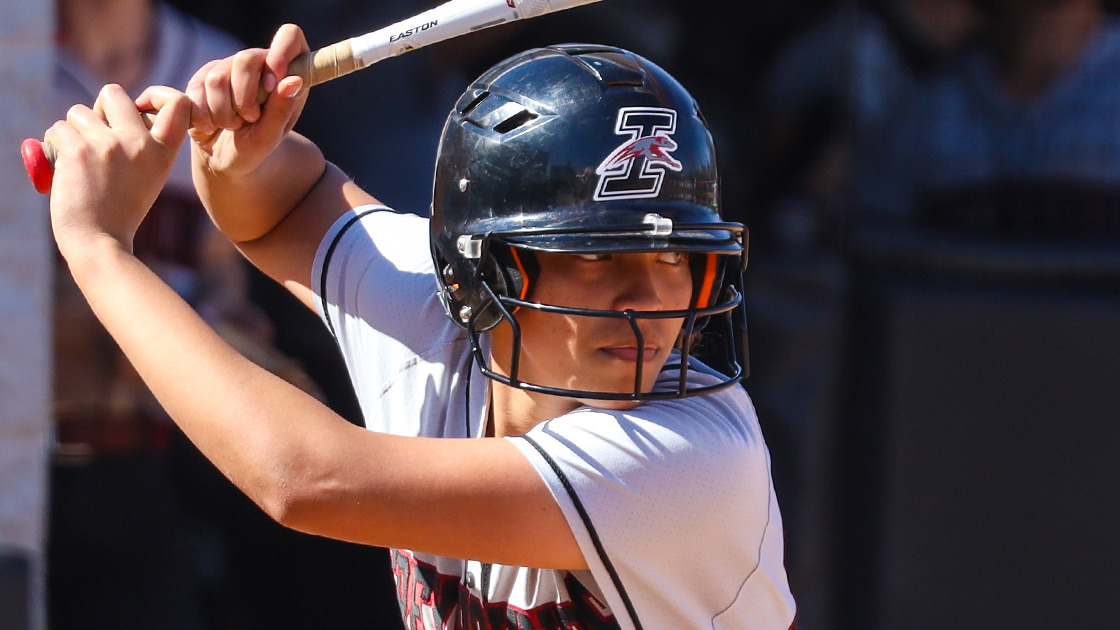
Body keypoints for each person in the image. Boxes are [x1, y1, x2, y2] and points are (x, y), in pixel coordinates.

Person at [42, 23, 797, 629]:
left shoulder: (693, 458)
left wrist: (100, 249)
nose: (650, 300)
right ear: (480, 271)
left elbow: (305, 480)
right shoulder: (439, 324)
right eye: (597, 255)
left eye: (673, 256)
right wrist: (234, 151)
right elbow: (283, 205)